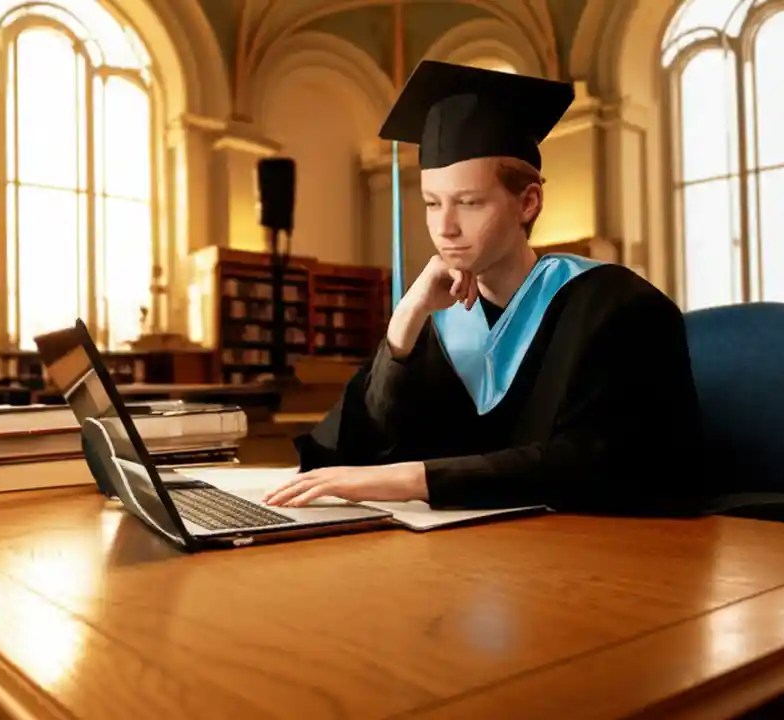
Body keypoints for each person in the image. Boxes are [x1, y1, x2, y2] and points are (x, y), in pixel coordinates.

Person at [264, 60, 705, 514]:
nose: (445, 227)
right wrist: (402, 326)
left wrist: (417, 479)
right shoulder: (440, 322)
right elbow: (352, 449)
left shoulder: (616, 307)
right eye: (432, 204)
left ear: (528, 203)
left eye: (469, 203)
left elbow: (603, 463)